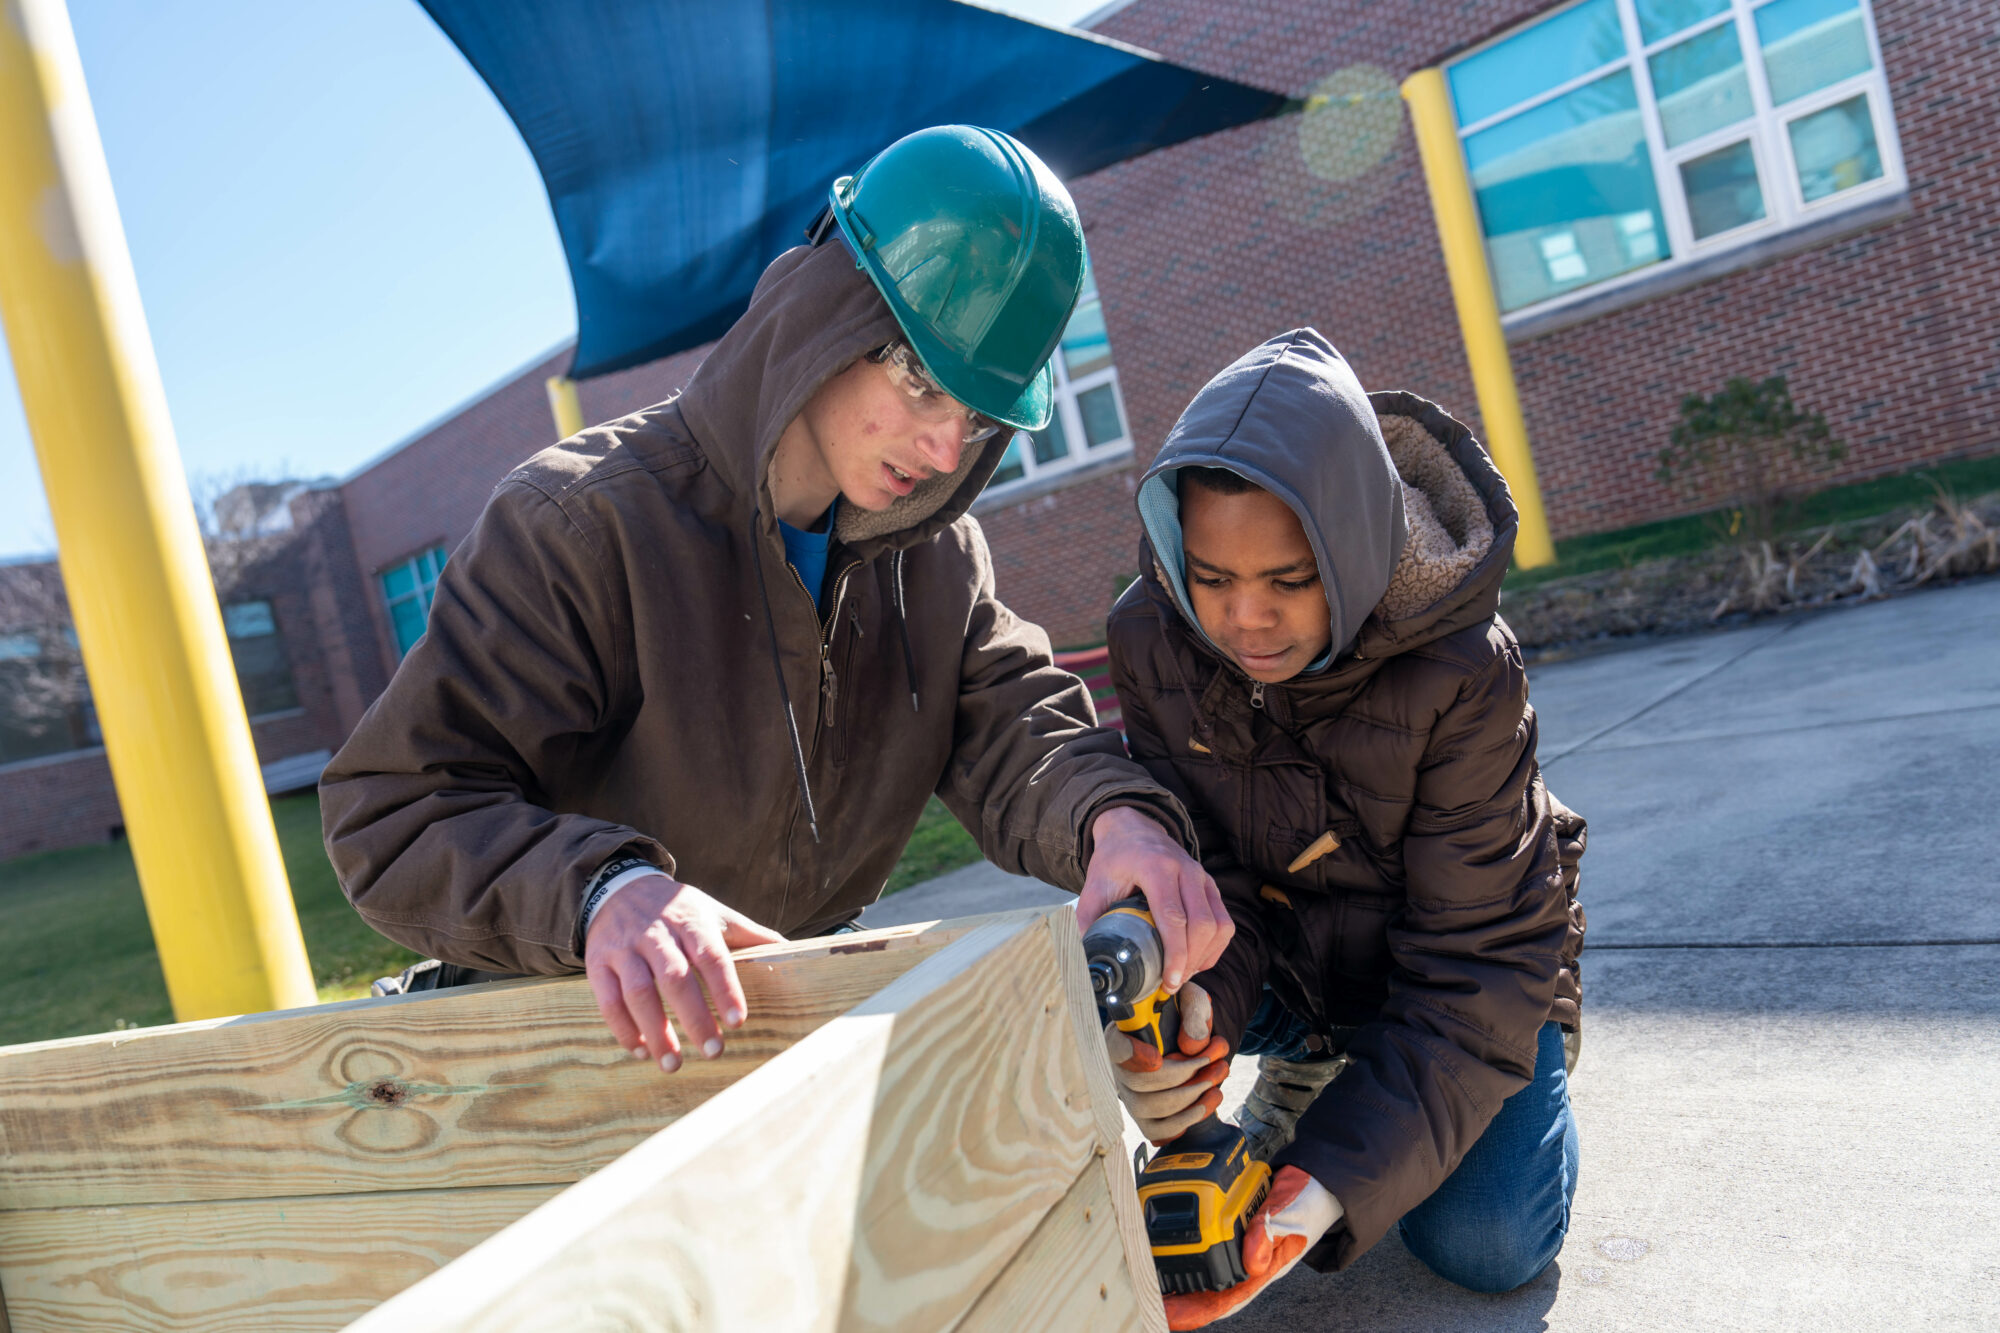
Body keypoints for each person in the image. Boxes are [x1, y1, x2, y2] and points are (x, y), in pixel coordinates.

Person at [320, 125, 1228, 1073]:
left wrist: (1116, 821)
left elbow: (1017, 729)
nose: (943, 453)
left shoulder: (936, 558)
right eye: (923, 384)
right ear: (829, 314)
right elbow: (394, 811)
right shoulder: (582, 526)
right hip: (566, 1053)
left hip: (784, 1042)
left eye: (978, 416)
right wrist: (603, 891)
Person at [1099, 329, 1586, 1326]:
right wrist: (1199, 1025)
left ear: (1354, 546)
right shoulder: (1151, 640)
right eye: (1211, 576)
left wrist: (1307, 1194)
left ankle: (1517, 1061)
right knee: (1154, 996)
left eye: (1287, 581)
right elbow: (1210, 874)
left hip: (1460, 980)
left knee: (1486, 1243)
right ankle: (1314, 1061)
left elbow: (1471, 962)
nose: (1243, 621)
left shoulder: (1462, 668)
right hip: (1289, 967)